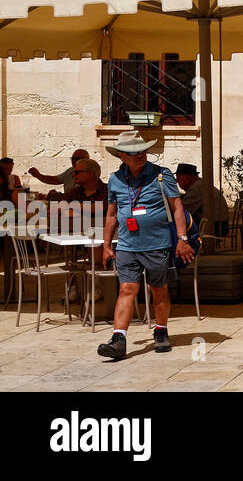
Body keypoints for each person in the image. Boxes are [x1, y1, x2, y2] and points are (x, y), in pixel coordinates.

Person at [96, 131, 194, 361]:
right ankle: (118, 339)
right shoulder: (115, 180)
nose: (140, 154)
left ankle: (161, 331)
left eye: (142, 150)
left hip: (157, 244)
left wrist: (182, 239)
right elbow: (111, 214)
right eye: (134, 152)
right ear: (121, 155)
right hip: (127, 245)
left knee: (158, 290)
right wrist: (107, 243)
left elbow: (177, 206)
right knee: (126, 289)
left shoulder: (162, 175)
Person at [174, 162, 228, 236]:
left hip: (215, 226)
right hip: (218, 224)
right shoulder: (199, 184)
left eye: (179, 177)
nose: (177, 181)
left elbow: (184, 209)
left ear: (188, 178)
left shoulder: (197, 188)